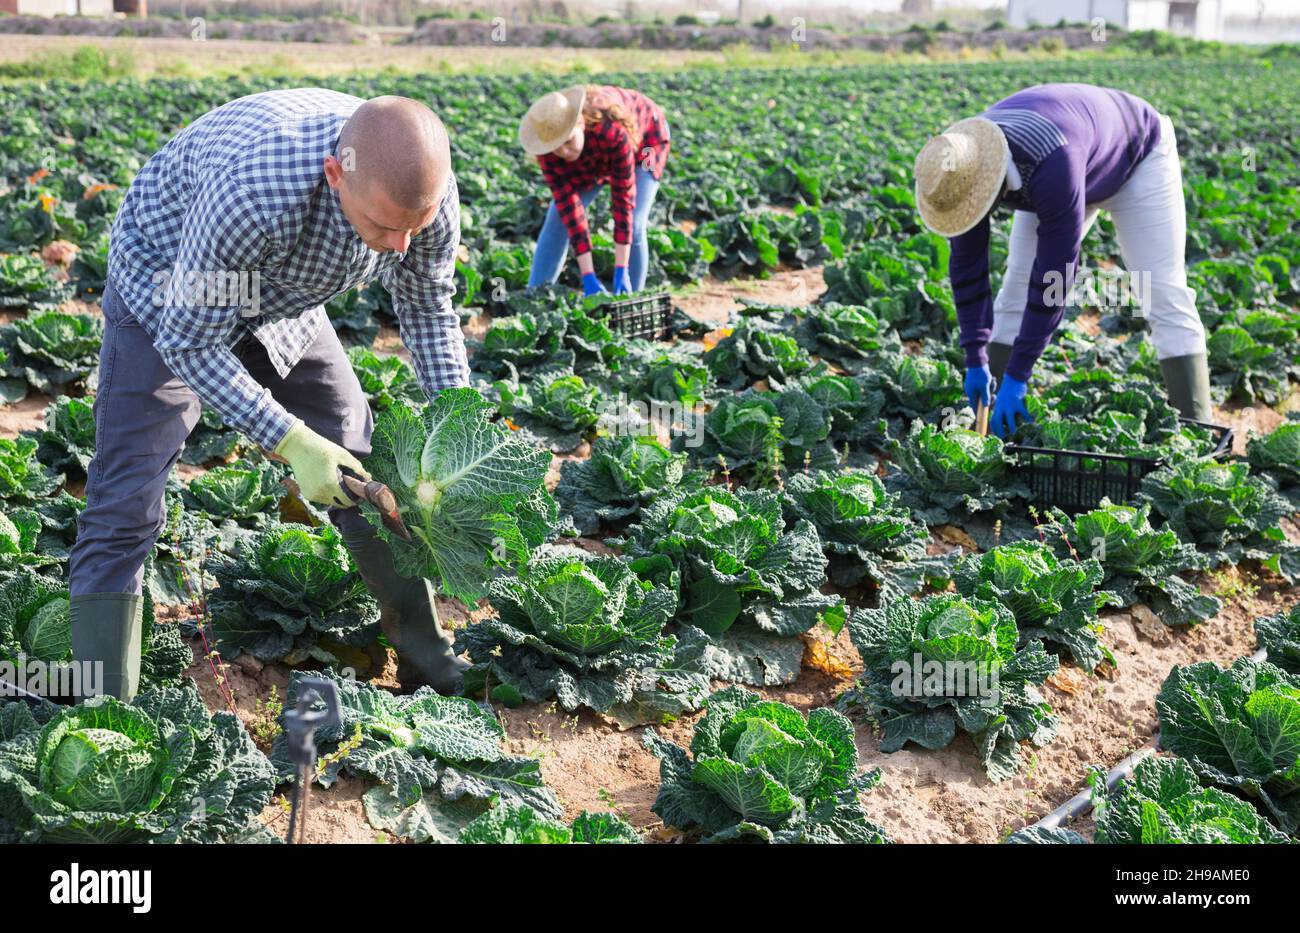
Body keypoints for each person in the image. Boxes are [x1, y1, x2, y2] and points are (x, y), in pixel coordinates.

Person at [69, 89, 471, 700]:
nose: (400, 247)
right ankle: (101, 703)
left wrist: (458, 430)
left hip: (284, 299)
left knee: (362, 460)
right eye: (385, 227)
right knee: (127, 495)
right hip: (170, 290)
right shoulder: (255, 194)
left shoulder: (421, 195)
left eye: (416, 227)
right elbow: (191, 341)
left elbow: (427, 306)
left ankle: (427, 656)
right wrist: (289, 439)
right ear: (335, 177)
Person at [913, 83, 1211, 438]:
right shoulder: (959, 170)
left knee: (1162, 291)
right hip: (1076, 151)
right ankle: (988, 429)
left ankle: (1198, 434)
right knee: (1017, 285)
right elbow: (967, 268)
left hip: (1136, 156)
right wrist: (975, 356)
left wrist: (1019, 376)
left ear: (992, 182)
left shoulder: (1051, 165)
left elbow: (1055, 279)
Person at [520, 84, 671, 296]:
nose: (564, 151)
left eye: (568, 141)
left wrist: (621, 269)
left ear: (580, 122)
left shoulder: (612, 133)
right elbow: (570, 210)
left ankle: (631, 297)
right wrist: (588, 275)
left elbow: (623, 200)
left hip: (645, 142)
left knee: (635, 220)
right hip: (592, 156)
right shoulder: (549, 150)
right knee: (558, 216)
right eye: (557, 147)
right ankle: (536, 295)